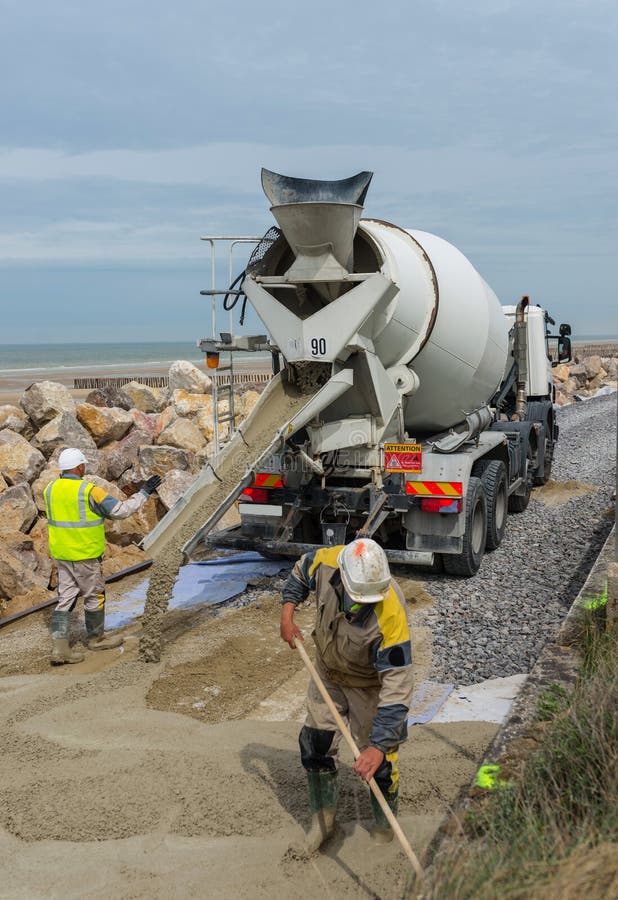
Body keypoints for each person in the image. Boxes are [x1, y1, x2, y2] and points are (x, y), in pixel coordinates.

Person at [280, 538, 413, 853]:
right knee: (315, 743)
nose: (364, 605)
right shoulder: (329, 562)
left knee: (378, 762)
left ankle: (384, 827)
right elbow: (300, 572)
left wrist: (378, 747)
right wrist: (287, 613)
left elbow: (398, 690)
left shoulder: (391, 618)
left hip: (368, 684)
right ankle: (324, 823)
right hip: (327, 672)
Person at [44, 447, 161, 666]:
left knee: (65, 599)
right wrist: (144, 493)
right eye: (83, 465)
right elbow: (120, 511)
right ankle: (96, 639)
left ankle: (60, 650)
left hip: (62, 554)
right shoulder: (89, 490)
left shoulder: (50, 489)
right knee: (94, 596)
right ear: (80, 467)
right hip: (85, 555)